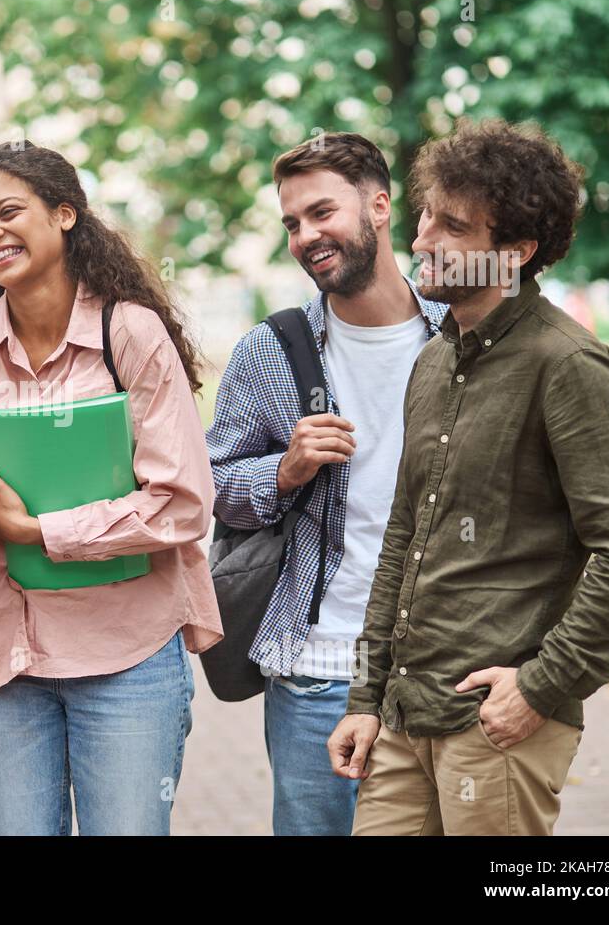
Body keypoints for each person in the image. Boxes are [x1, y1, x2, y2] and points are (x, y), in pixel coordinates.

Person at [328, 118, 609, 835]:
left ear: (513, 253)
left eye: (452, 226)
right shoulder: (433, 361)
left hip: (496, 726)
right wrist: (366, 696)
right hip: (402, 717)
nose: (421, 240)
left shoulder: (567, 366)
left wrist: (541, 687)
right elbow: (403, 538)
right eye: (425, 215)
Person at [0, 140, 222, 836]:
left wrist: (41, 533)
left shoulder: (128, 334)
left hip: (127, 651)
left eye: (8, 212)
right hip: (2, 657)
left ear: (65, 214)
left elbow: (183, 501)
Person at [207, 133, 447, 835]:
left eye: (321, 212)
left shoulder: (461, 336)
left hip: (440, 664)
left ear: (379, 206)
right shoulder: (270, 350)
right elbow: (214, 486)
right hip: (317, 670)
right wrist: (285, 470)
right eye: (291, 223)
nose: (306, 235)